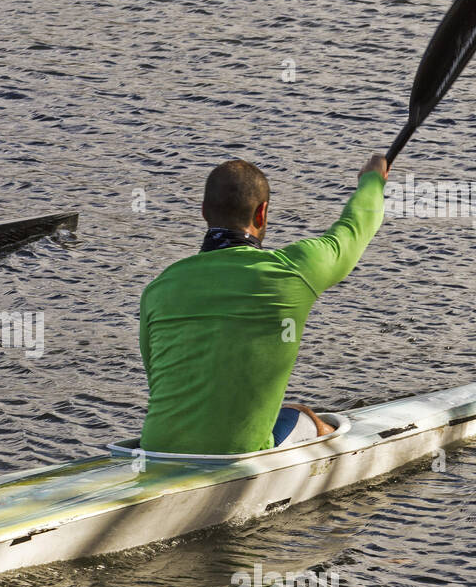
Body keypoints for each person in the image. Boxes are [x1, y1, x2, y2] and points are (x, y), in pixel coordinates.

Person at [139, 155, 389, 454]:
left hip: (156, 447)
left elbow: (159, 377)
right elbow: (355, 228)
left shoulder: (159, 287)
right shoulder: (292, 271)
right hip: (239, 452)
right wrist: (372, 180)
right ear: (262, 213)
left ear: (204, 212)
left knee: (281, 412)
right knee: (307, 418)